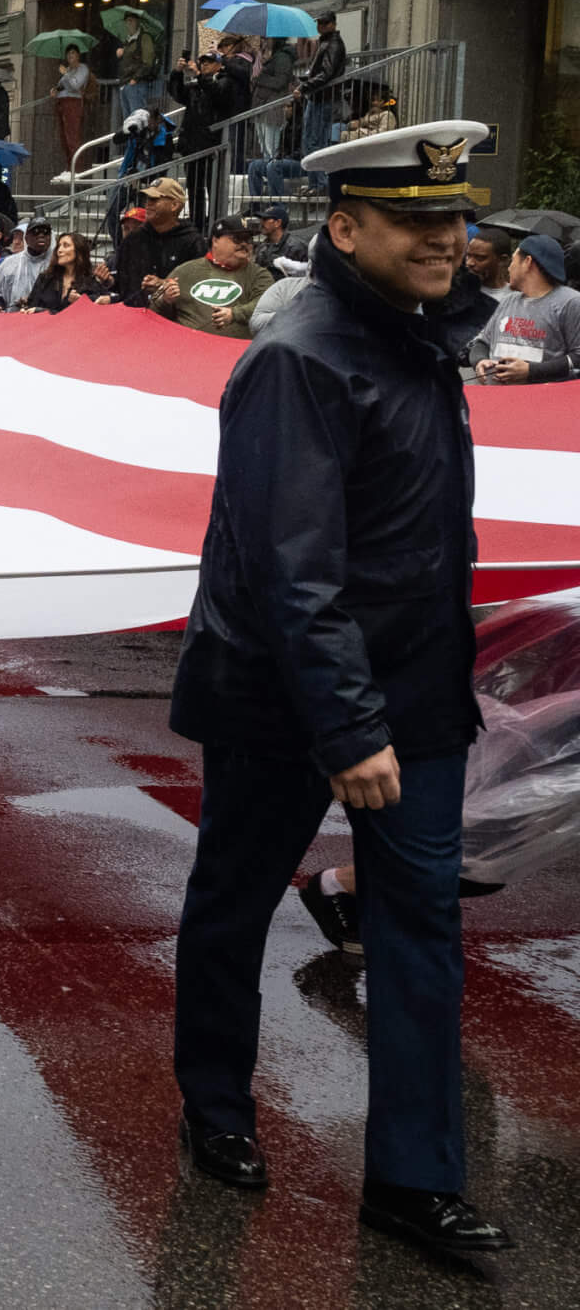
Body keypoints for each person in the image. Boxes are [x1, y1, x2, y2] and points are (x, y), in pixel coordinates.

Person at [170, 121, 513, 1259]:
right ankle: (215, 1109)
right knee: (233, 901)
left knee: (419, 931)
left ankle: (413, 1182)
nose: (443, 239)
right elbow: (288, 569)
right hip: (286, 697)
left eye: (453, 219)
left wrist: (412, 705)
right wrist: (348, 726)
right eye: (416, 221)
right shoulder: (298, 359)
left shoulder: (421, 341)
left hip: (410, 700)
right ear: (344, 226)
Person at [466, 235, 579, 385]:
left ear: (527, 262)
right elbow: (481, 343)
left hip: (542, 403)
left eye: (513, 260)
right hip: (495, 401)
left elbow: (578, 357)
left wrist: (531, 371)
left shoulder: (571, 302)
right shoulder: (509, 300)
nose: (508, 267)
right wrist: (480, 360)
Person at [152, 220, 275, 340]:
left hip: (235, 355)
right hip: (187, 351)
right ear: (215, 241)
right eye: (237, 239)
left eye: (248, 240)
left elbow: (268, 305)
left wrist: (234, 314)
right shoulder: (185, 271)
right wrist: (166, 301)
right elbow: (154, 313)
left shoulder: (259, 275)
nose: (244, 244)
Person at [115, 178, 202, 308]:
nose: (148, 204)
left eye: (154, 199)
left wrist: (163, 285)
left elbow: (198, 287)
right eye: (148, 198)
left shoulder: (193, 242)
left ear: (174, 205)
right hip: (134, 316)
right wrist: (108, 281)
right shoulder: (133, 239)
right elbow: (121, 284)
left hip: (175, 320)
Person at [295, 13, 350, 156]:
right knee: (311, 142)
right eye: (319, 23)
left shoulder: (334, 44)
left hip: (324, 98)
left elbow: (326, 74)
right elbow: (322, 72)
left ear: (333, 24)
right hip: (318, 97)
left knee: (315, 144)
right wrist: (306, 80)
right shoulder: (325, 42)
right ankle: (317, 176)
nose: (321, 27)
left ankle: (319, 178)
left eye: (324, 23)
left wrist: (304, 86)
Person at [22, 232, 112, 313]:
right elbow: (31, 306)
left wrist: (82, 302)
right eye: (59, 246)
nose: (59, 250)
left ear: (79, 251)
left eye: (66, 245)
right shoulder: (45, 278)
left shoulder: (91, 282)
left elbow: (100, 308)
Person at [0, 218, 56, 310]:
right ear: (26, 238)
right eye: (35, 232)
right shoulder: (9, 263)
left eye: (46, 232)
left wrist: (34, 303)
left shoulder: (59, 265)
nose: (41, 235)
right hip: (13, 319)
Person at [249, 38, 298, 160]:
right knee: (265, 147)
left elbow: (280, 82)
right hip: (264, 105)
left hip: (272, 107)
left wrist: (259, 79)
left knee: (270, 147)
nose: (265, 41)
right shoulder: (275, 56)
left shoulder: (282, 57)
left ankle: (271, 172)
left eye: (267, 38)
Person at [54, 47, 95, 169]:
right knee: (64, 138)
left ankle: (76, 168)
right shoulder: (68, 69)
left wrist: (66, 74)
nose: (70, 56)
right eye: (68, 53)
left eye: (72, 53)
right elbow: (62, 86)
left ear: (78, 55)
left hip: (73, 103)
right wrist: (55, 90)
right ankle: (69, 166)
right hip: (62, 102)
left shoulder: (82, 69)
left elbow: (75, 86)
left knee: (72, 136)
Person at [461, 227, 514, 300]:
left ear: (502, 260)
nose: (469, 263)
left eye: (479, 258)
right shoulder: (455, 291)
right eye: (468, 255)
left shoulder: (514, 300)